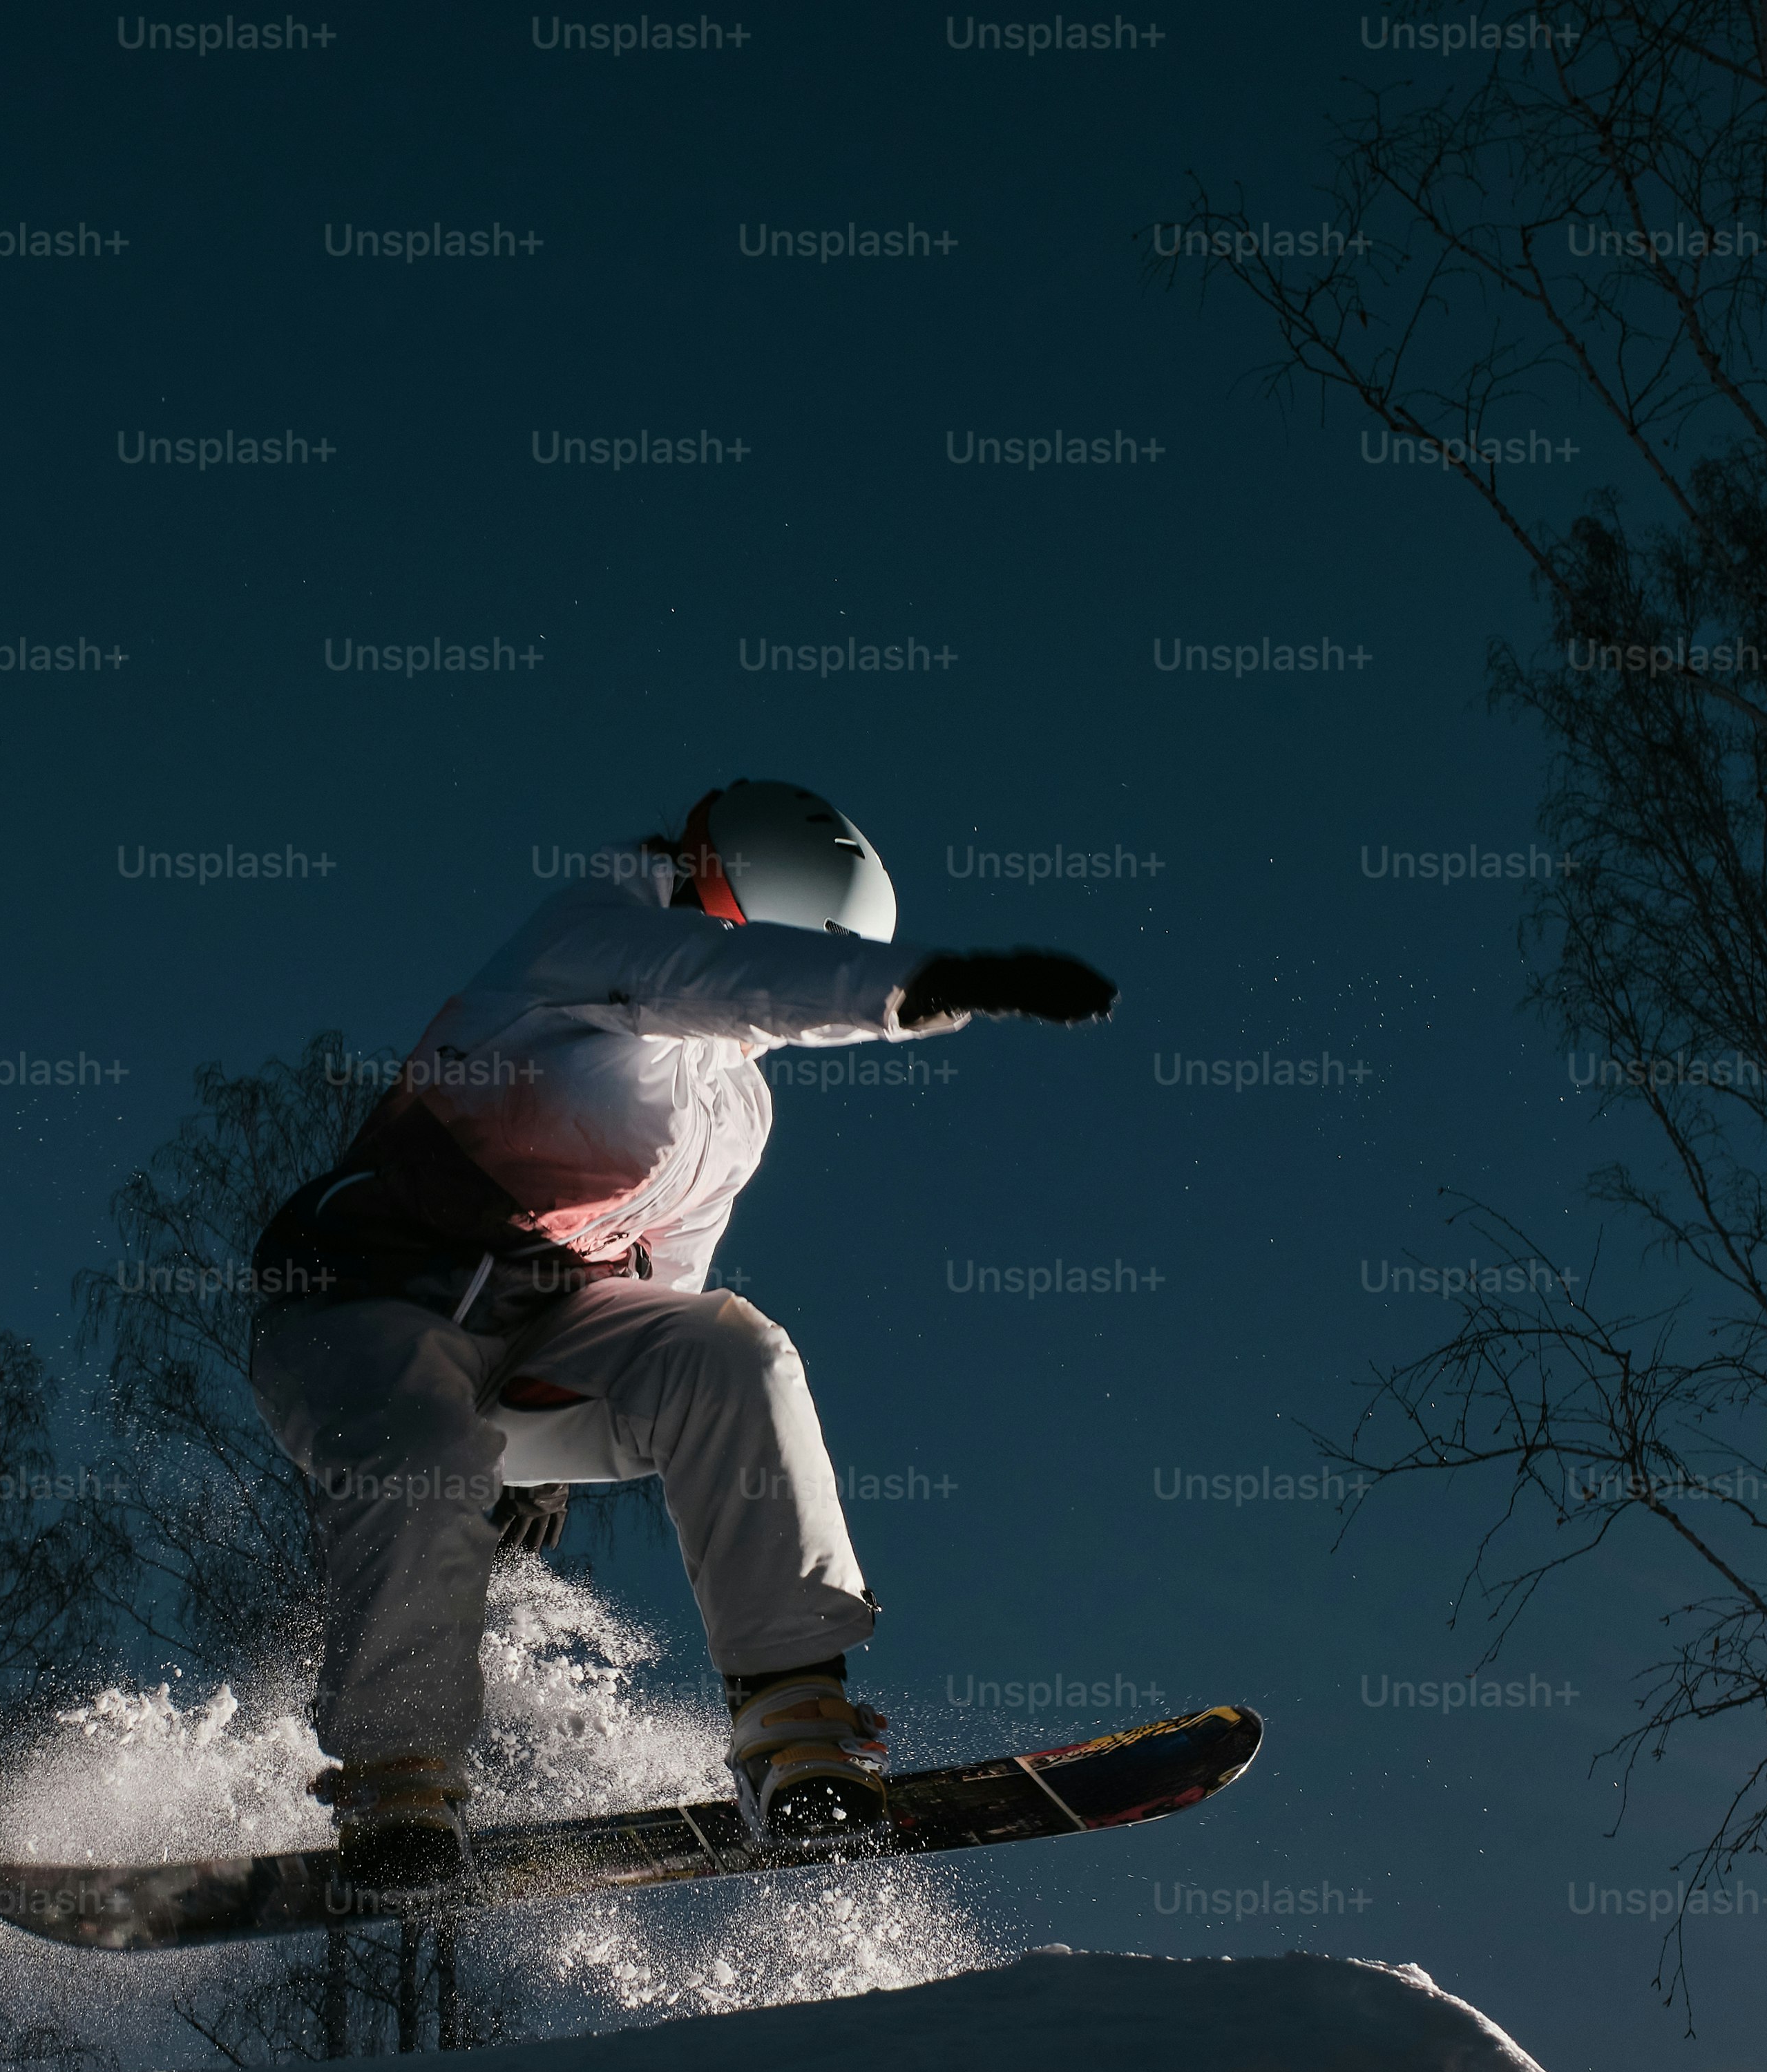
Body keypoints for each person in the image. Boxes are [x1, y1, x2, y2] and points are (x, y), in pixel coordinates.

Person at [247, 779, 1118, 1889]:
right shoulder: (591, 941)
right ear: (724, 898)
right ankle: (400, 1770)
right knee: (424, 1456)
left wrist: (561, 1446)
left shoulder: (737, 1106)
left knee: (731, 1350)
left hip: (531, 1351)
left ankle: (792, 1715)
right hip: (360, 1315)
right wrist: (920, 988)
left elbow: (670, 1275)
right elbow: (719, 979)